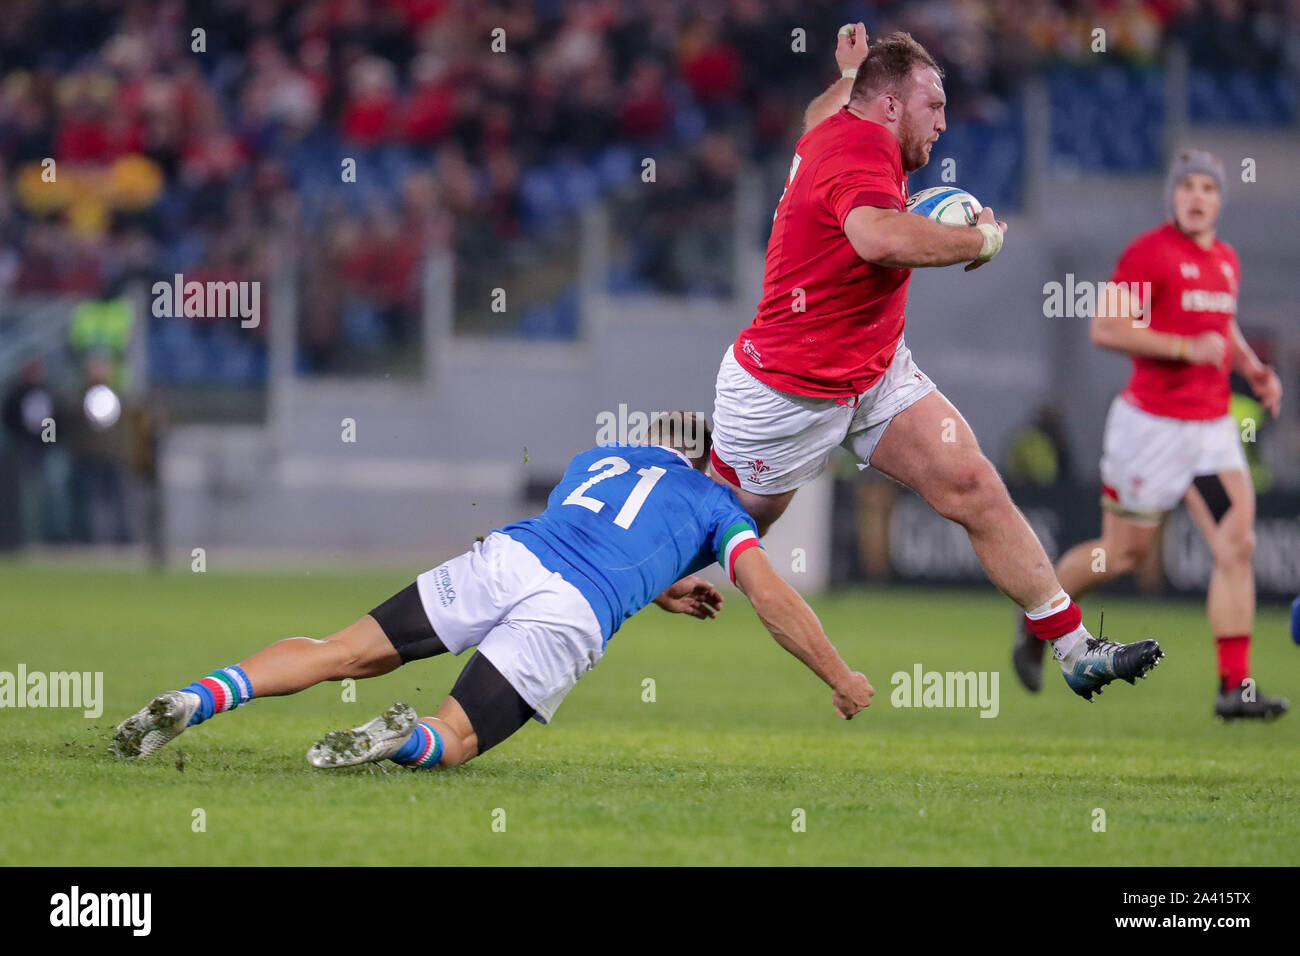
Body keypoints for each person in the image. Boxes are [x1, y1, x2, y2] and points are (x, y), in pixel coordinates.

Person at [706, 26, 1163, 702]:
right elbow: (877, 237)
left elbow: (817, 114)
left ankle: (1073, 647)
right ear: (889, 107)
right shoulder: (863, 148)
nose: (945, 123)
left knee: (972, 482)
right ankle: (600, 583)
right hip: (786, 393)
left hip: (874, 369)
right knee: (727, 526)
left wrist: (852, 73)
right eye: (935, 106)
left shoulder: (839, 124)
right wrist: (976, 239)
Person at [112, 413, 873, 768]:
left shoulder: (601, 458)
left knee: (344, 650)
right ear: (718, 459)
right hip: (572, 611)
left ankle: (198, 697)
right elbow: (769, 594)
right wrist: (837, 675)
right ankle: (397, 740)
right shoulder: (719, 508)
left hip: (511, 554)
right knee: (458, 739)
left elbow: (601, 530)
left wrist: (664, 583)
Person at [1011, 150, 1289, 721]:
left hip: (1209, 432)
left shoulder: (1226, 261)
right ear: (1173, 196)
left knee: (1237, 546)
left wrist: (1251, 367)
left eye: (1207, 188)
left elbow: (1220, 322)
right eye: (1186, 186)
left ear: (1218, 199)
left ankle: (1234, 686)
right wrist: (1186, 349)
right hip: (1151, 430)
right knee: (1122, 555)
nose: (1196, 196)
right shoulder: (1151, 253)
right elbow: (1106, 328)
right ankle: (1036, 619)